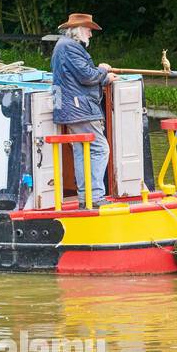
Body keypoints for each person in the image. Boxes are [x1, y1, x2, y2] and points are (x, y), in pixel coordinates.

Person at [49, 12, 117, 206]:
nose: (91, 34)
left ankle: (85, 198)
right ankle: (94, 197)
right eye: (89, 29)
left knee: (82, 151)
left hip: (71, 107)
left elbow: (77, 77)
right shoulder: (70, 47)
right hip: (80, 108)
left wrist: (105, 79)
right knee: (100, 148)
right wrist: (104, 69)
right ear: (79, 30)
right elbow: (86, 76)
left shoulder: (64, 46)